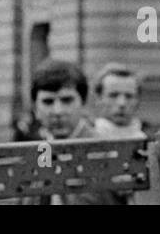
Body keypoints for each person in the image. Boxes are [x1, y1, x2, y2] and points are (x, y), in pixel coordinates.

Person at [23, 60, 124, 205]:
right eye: (48, 102)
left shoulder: (107, 152)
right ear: (35, 109)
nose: (57, 111)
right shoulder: (33, 153)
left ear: (83, 103)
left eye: (66, 100)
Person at [90, 62, 149, 138]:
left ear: (138, 100)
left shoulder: (149, 142)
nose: (122, 103)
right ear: (98, 99)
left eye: (129, 96)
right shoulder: (83, 141)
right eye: (113, 95)